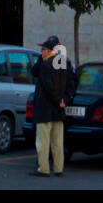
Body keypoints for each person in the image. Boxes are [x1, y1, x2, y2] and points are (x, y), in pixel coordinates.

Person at [30, 35, 68, 177]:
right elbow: (64, 84)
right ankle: (59, 168)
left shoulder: (45, 65)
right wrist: (63, 100)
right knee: (58, 142)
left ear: (49, 51)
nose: (41, 52)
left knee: (43, 141)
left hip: (45, 108)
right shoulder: (62, 63)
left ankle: (43, 168)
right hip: (58, 109)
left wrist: (58, 99)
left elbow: (48, 87)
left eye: (43, 49)